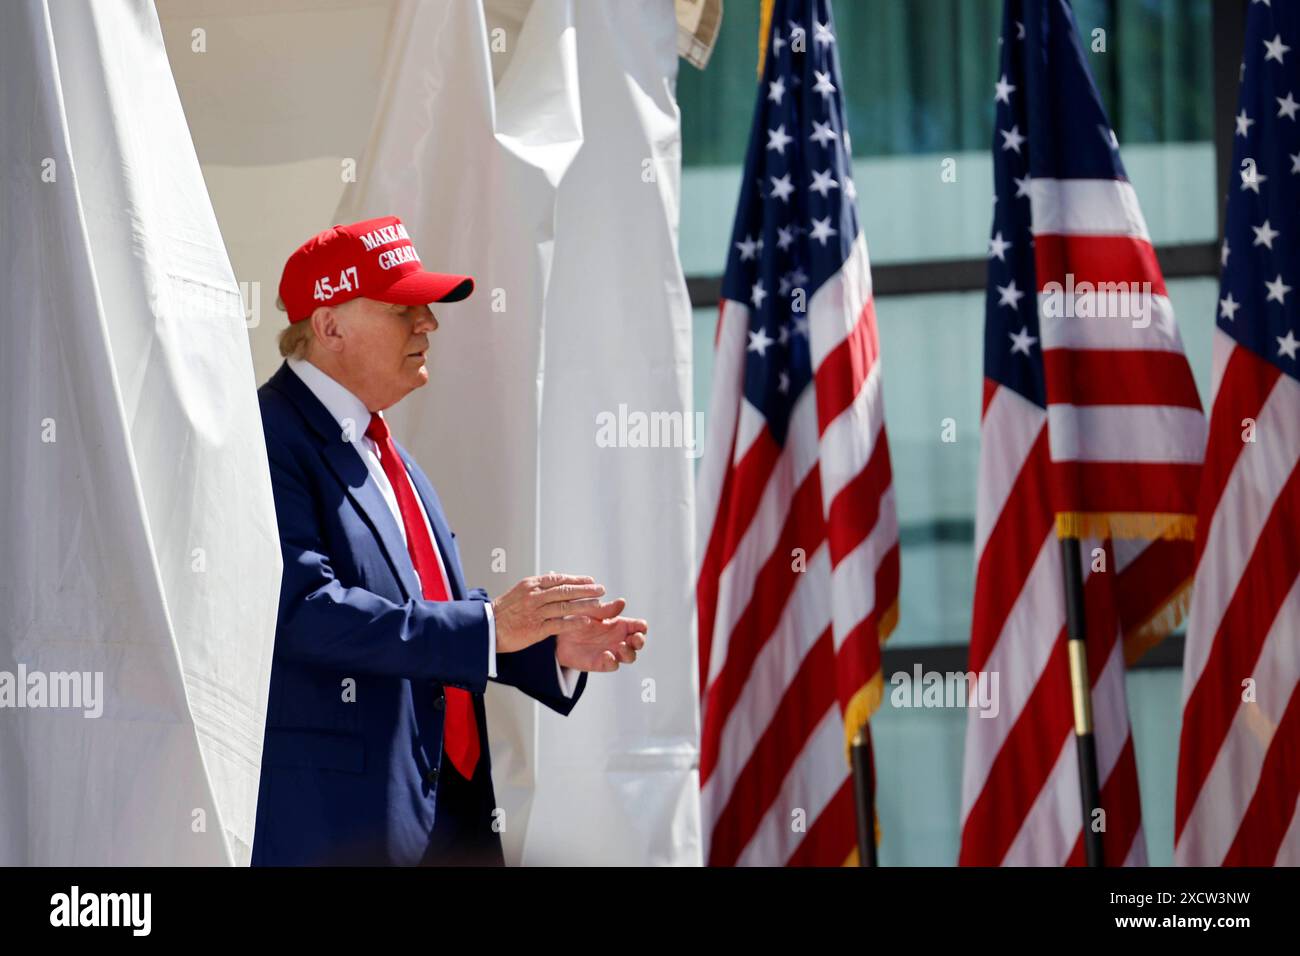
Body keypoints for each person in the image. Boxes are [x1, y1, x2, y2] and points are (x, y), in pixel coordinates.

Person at [252, 215, 647, 865]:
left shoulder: (385, 451)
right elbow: (301, 613)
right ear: (328, 326)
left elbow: (431, 608)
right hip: (343, 826)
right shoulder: (270, 437)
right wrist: (492, 627)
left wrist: (543, 645)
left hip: (443, 814)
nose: (428, 323)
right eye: (404, 308)